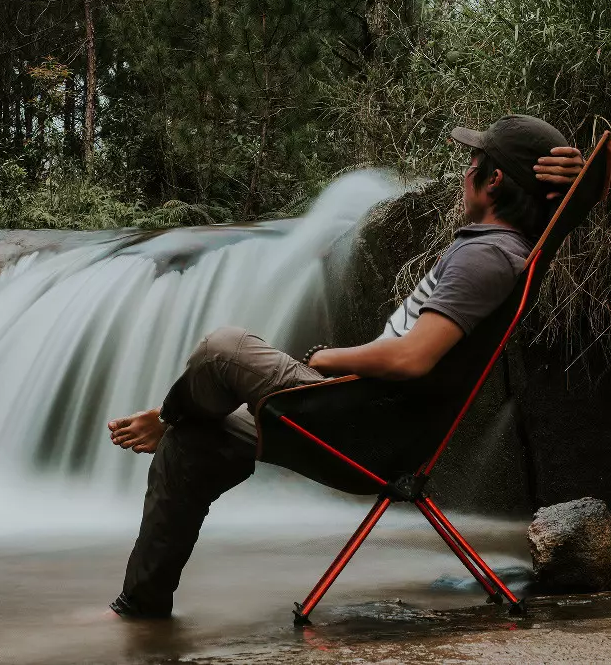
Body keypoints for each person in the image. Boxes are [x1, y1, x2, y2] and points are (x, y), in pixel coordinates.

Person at [106, 115, 586, 619]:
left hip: (363, 429)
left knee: (223, 349)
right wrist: (586, 184)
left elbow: (411, 356)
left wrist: (325, 358)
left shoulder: (485, 256)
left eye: (474, 163)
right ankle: (140, 605)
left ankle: (169, 418)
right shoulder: (507, 251)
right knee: (192, 447)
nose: (465, 172)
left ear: (494, 181)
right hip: (370, 421)